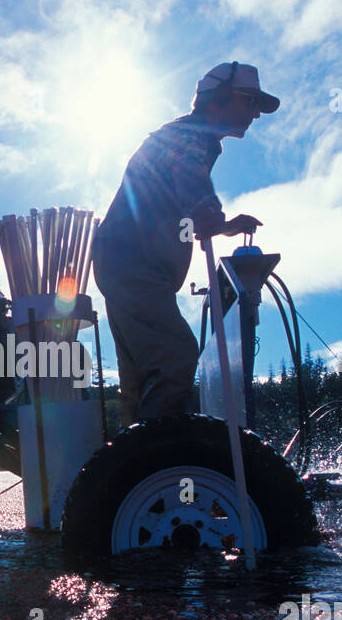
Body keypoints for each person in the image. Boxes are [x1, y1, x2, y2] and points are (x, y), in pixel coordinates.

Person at [92, 61, 279, 426]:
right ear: (217, 99)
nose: (255, 113)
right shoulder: (188, 136)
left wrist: (213, 222)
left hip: (126, 263)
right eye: (249, 101)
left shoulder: (190, 138)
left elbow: (182, 195)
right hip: (131, 264)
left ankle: (132, 466)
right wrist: (213, 219)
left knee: (141, 376)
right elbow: (189, 178)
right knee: (175, 355)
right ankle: (158, 460)